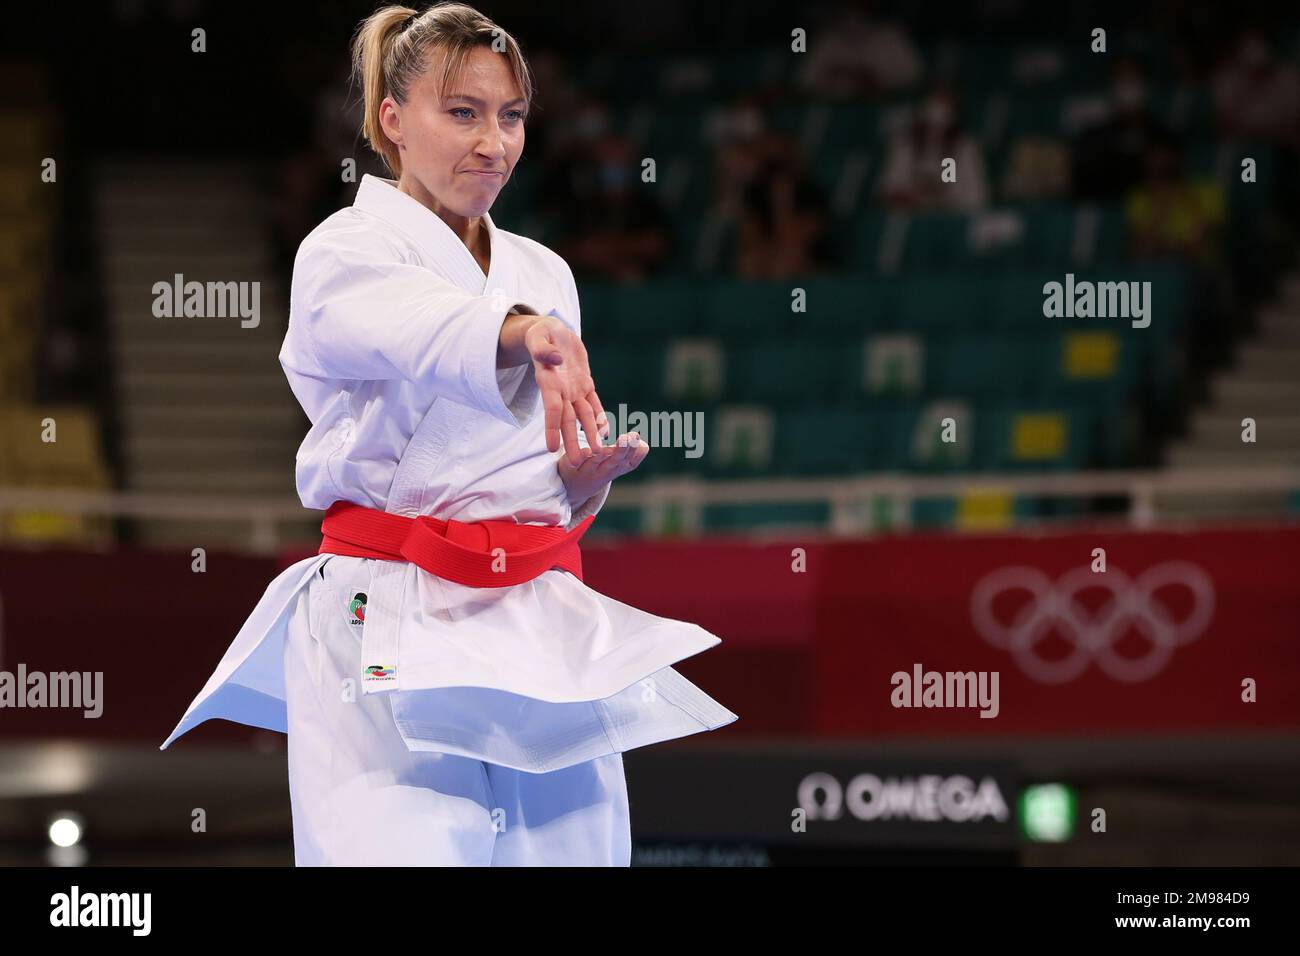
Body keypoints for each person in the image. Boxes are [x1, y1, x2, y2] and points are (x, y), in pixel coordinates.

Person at [160, 2, 737, 866]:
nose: (492, 142)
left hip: (535, 609)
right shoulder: (344, 251)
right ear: (392, 122)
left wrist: (575, 485)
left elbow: (522, 468)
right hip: (385, 607)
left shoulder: (544, 271)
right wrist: (518, 331)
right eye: (461, 113)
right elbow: (408, 327)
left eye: (510, 117)